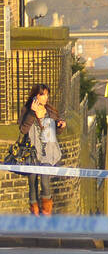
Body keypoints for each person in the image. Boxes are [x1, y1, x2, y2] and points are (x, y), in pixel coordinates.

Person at [18, 83, 65, 215]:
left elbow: (56, 130)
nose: (45, 98)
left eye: (47, 95)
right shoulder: (27, 111)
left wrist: (60, 125)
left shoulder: (50, 111)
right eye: (42, 94)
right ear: (35, 96)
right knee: (32, 182)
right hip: (32, 152)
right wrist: (32, 113)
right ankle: (35, 212)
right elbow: (23, 129)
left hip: (47, 152)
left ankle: (46, 212)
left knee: (45, 181)